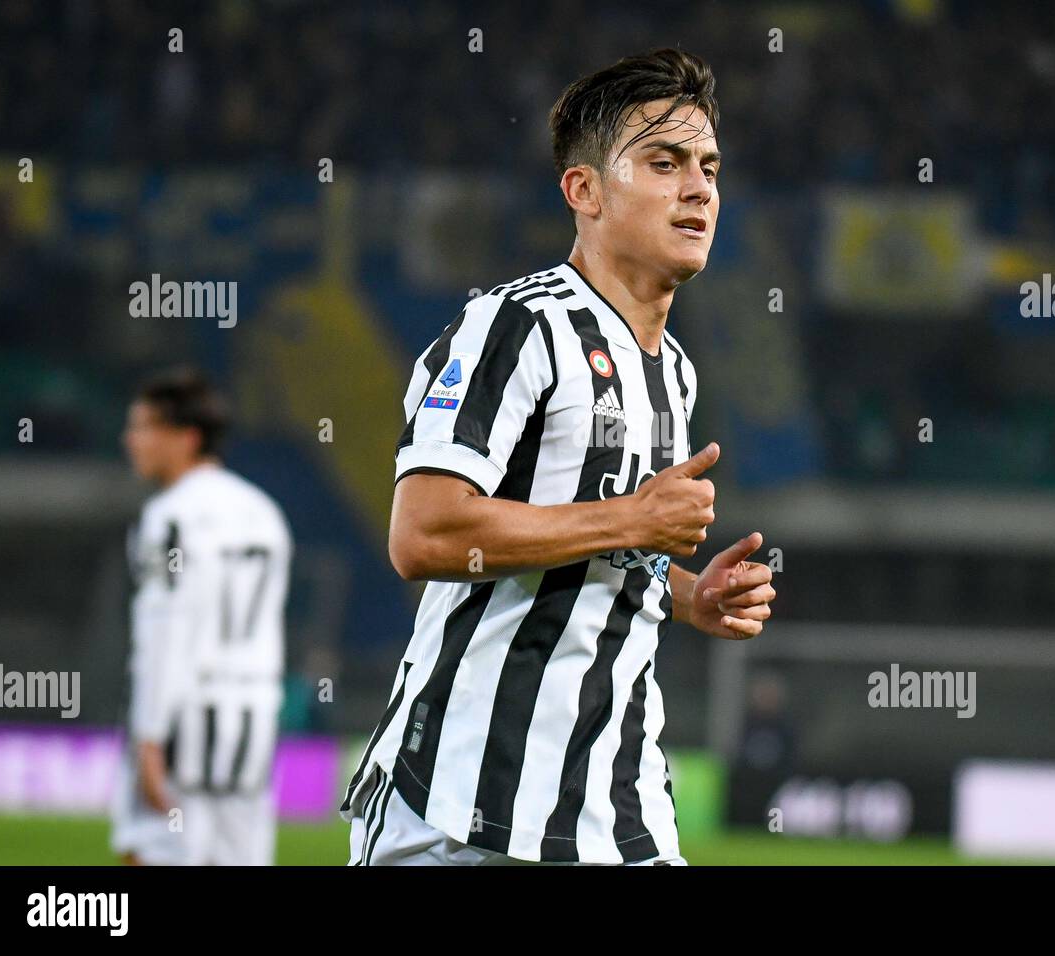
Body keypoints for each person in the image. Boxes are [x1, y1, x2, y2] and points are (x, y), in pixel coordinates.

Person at [343, 47, 777, 866]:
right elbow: (424, 536)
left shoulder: (674, 372)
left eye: (710, 167)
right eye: (664, 162)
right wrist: (635, 518)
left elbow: (594, 549)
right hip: (465, 807)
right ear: (584, 191)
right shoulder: (517, 327)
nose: (699, 188)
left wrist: (687, 595)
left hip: (617, 814)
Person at [110, 368, 292, 865]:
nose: (131, 440)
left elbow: (168, 628)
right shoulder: (264, 512)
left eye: (144, 427)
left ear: (186, 438)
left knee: (150, 853)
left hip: (184, 721)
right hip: (250, 723)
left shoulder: (171, 518)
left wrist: (149, 734)